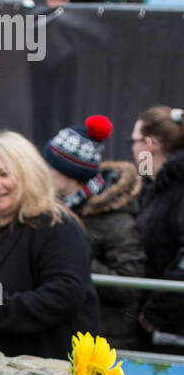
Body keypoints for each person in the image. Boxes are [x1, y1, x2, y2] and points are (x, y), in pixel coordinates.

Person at [0, 131, 100, 359]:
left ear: (28, 174)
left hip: (47, 371)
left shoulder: (57, 225)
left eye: (4, 174)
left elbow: (64, 294)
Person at [42, 113, 146, 347]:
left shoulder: (118, 221)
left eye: (50, 165)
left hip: (106, 341)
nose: (43, 170)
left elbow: (129, 286)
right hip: (67, 334)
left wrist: (75, 258)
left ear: (72, 173)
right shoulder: (51, 211)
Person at [132, 105, 184, 349]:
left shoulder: (179, 190)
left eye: (133, 141)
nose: (132, 148)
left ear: (149, 144)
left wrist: (156, 312)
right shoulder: (153, 189)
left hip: (171, 331)